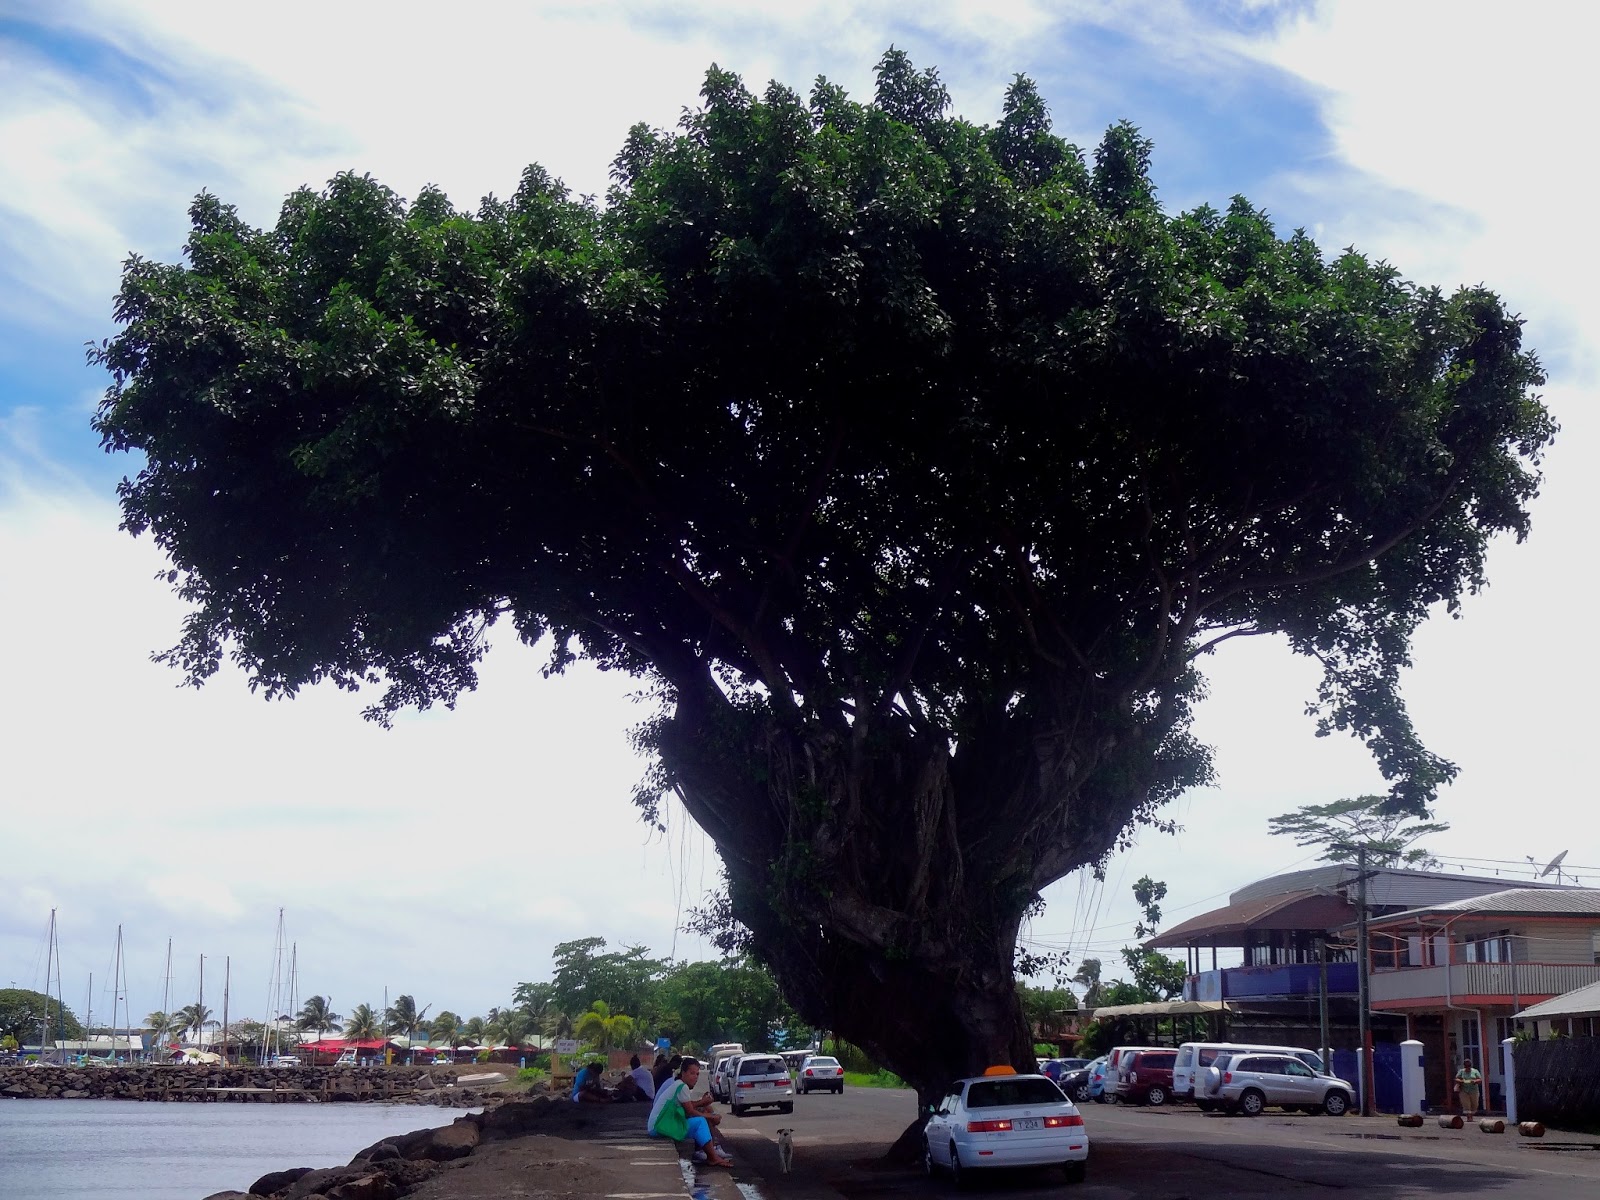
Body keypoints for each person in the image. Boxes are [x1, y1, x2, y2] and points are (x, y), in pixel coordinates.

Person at [647, 1058, 731, 1167]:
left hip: (659, 1124)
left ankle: (709, 1152)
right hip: (658, 1126)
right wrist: (710, 1116)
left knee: (700, 1120)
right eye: (692, 1073)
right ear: (683, 1073)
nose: (695, 1077)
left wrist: (706, 1110)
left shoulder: (678, 1084)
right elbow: (690, 1110)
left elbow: (688, 1106)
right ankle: (713, 1156)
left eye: (697, 1074)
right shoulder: (682, 1086)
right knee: (700, 1121)